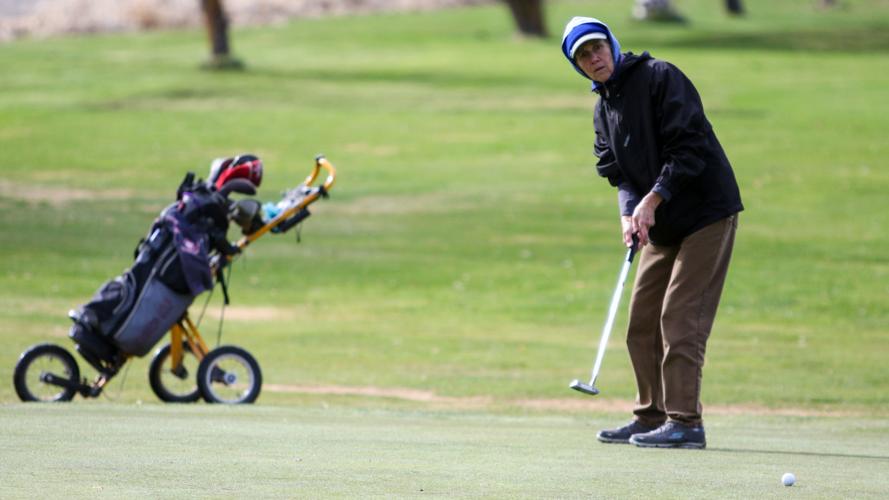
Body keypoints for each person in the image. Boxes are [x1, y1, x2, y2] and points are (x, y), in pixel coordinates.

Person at [561, 17, 743, 449]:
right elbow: (617, 172)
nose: (594, 58)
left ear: (612, 44)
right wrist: (629, 213)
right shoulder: (604, 110)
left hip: (705, 213)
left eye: (598, 47)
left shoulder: (660, 77)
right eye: (584, 55)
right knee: (641, 321)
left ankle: (686, 422)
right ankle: (651, 416)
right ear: (578, 66)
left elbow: (689, 147)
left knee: (679, 315)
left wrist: (653, 198)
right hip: (660, 224)